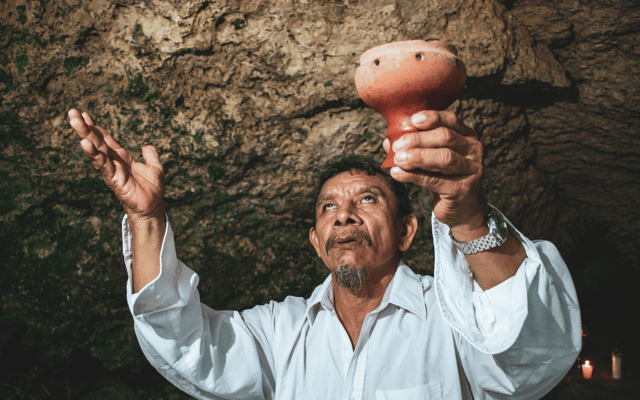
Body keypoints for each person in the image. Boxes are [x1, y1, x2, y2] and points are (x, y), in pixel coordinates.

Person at [68, 108, 581, 400]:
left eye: (367, 200)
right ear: (316, 241)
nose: (344, 215)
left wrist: (469, 218)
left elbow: (531, 353)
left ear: (406, 232)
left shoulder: (454, 319)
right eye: (328, 207)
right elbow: (184, 342)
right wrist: (147, 218)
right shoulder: (279, 331)